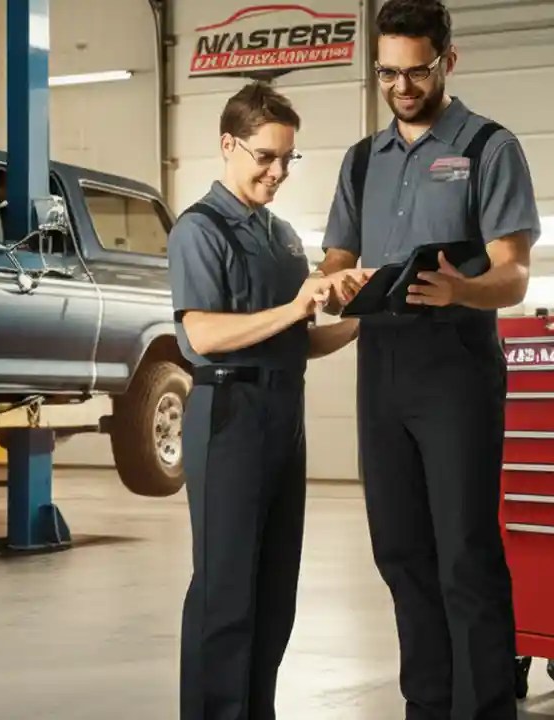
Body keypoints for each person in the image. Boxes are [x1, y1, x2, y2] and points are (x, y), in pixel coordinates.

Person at [318, 1, 540, 718]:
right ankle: (429, 707)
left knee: (465, 557)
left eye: (417, 71)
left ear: (448, 59)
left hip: (456, 367)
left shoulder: (489, 147)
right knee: (401, 555)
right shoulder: (361, 160)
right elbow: (337, 257)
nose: (402, 86)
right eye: (388, 73)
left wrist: (461, 290)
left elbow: (514, 273)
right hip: (379, 362)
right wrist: (339, 278)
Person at [167, 81, 372, 720]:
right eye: (265, 157)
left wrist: (373, 315)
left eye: (289, 159)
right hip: (228, 415)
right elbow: (200, 334)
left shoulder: (281, 234)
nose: (278, 172)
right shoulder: (200, 231)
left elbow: (296, 340)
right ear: (229, 145)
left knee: (274, 592)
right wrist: (294, 306)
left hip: (285, 414)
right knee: (226, 595)